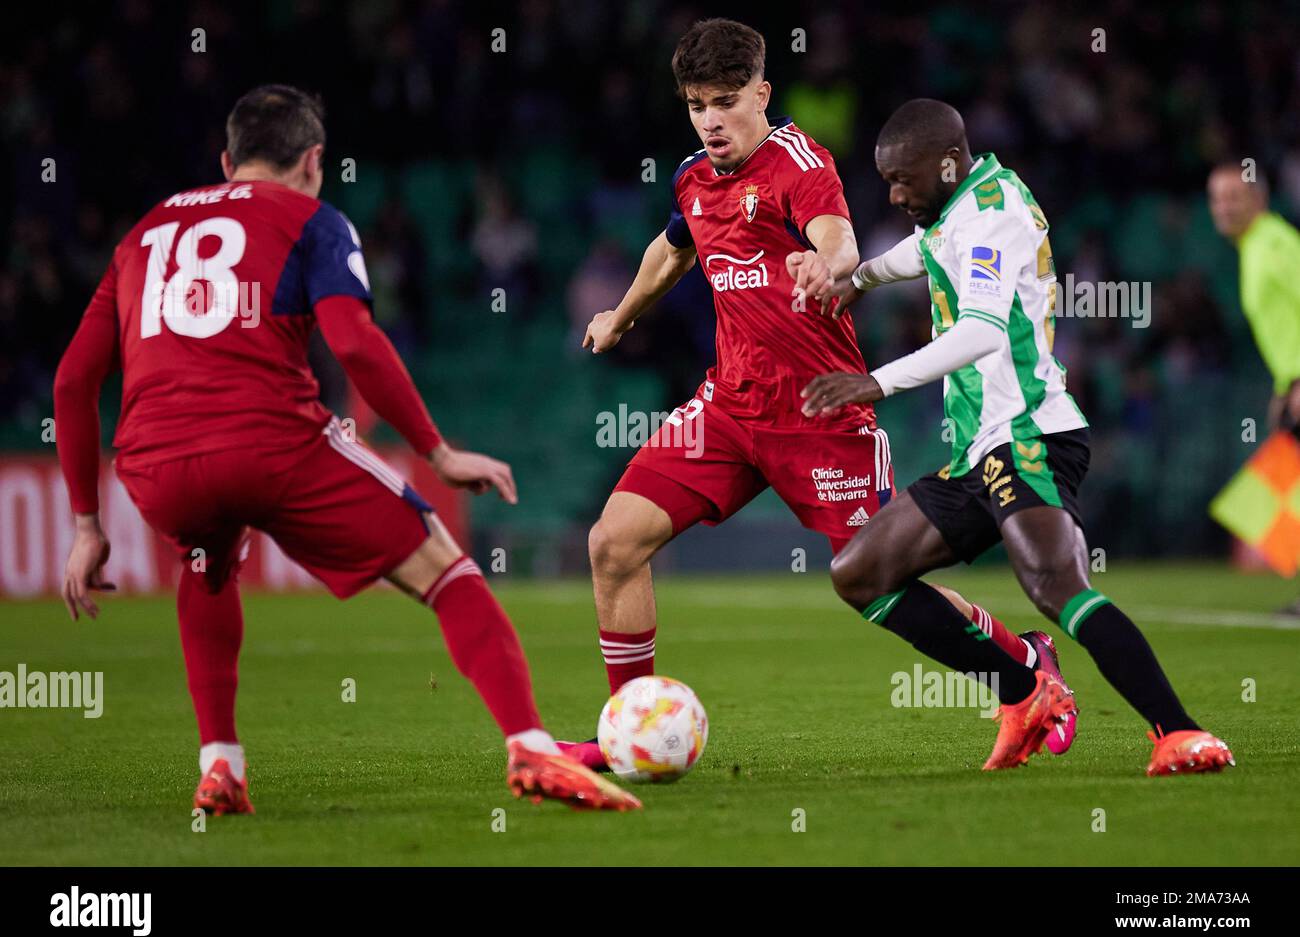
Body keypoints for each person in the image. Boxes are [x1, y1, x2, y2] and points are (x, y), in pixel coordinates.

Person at [53, 84, 641, 814]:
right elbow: (355, 344)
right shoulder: (314, 219)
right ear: (314, 161)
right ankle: (531, 747)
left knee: (207, 567)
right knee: (443, 566)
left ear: (227, 159)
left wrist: (86, 526)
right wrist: (438, 452)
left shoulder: (141, 233)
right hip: (270, 441)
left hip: (156, 463)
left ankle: (221, 766)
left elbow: (74, 380)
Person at [565, 21, 1074, 768]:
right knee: (613, 543)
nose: (711, 119)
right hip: (728, 408)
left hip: (820, 414)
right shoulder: (692, 177)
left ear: (761, 94)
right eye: (697, 104)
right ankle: (623, 736)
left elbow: (837, 237)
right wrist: (619, 316)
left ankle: (1026, 670)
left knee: (877, 584)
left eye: (727, 101)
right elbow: (674, 249)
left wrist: (826, 262)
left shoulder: (800, 164)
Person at [809, 98, 1233, 775]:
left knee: (1054, 584)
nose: (893, 193)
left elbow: (979, 330)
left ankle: (1179, 732)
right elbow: (926, 250)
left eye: (903, 180)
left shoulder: (991, 216)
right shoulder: (958, 207)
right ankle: (1026, 684)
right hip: (978, 449)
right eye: (886, 180)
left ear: (947, 162)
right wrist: (861, 278)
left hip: (1027, 434)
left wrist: (878, 382)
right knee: (859, 573)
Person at [1207, 163, 1300, 614]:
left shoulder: (1275, 243)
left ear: (1258, 199)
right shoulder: (1254, 247)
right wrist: (1286, 385)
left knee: (1281, 495)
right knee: (1284, 493)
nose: (1223, 207)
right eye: (1216, 198)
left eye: (1233, 196)